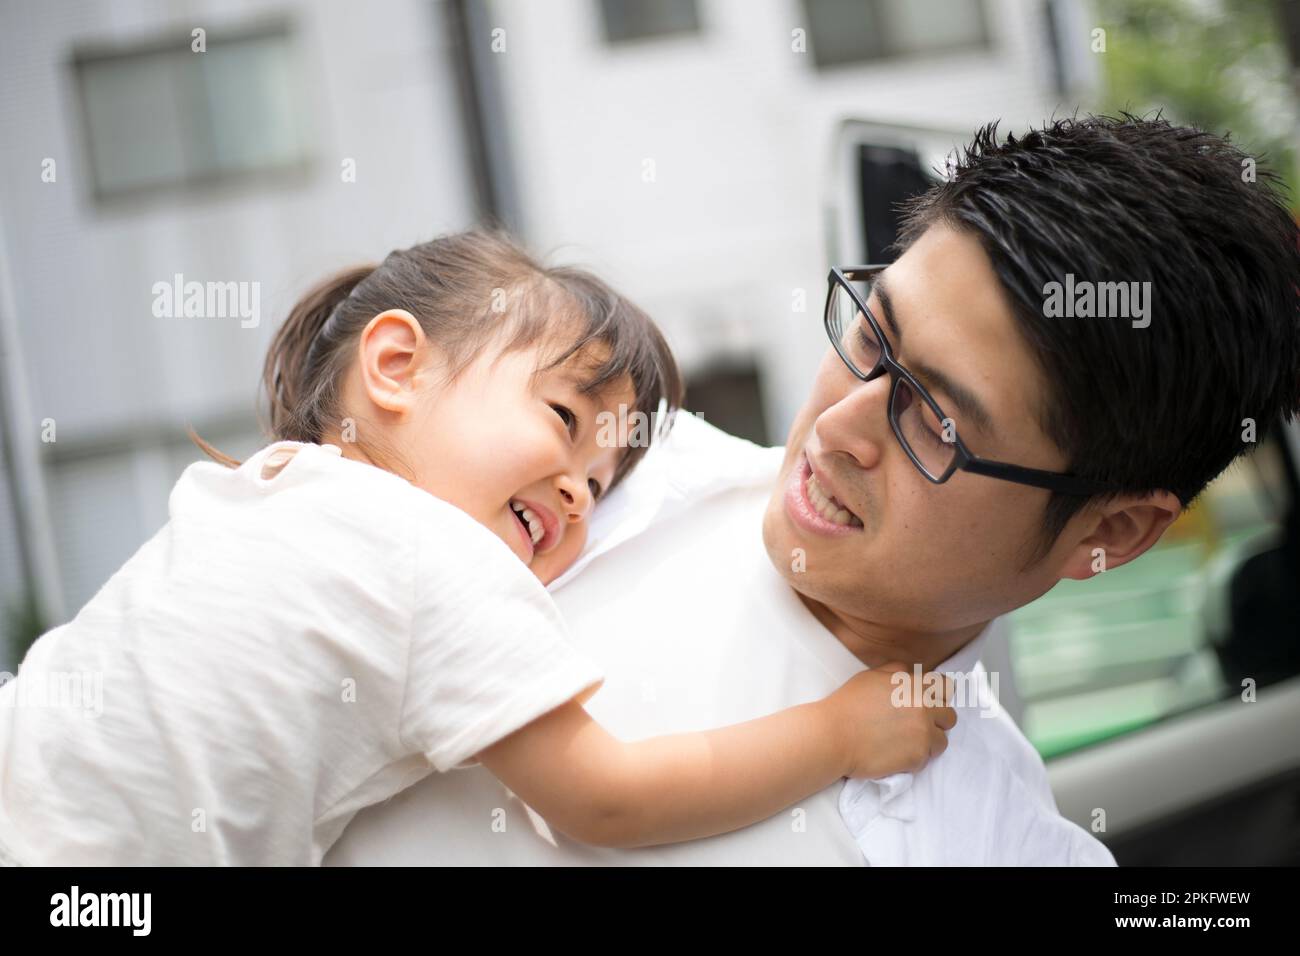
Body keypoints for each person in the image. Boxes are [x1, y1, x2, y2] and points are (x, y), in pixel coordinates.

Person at [325, 114, 1300, 866]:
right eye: (871, 339)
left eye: (938, 422)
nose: (837, 426)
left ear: (1110, 532)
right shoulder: (585, 472)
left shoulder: (981, 844)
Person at [0, 230, 959, 866]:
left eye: (598, 481)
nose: (579, 491)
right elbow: (611, 797)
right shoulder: (437, 565)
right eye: (563, 417)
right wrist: (837, 733)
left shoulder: (267, 485)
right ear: (396, 366)